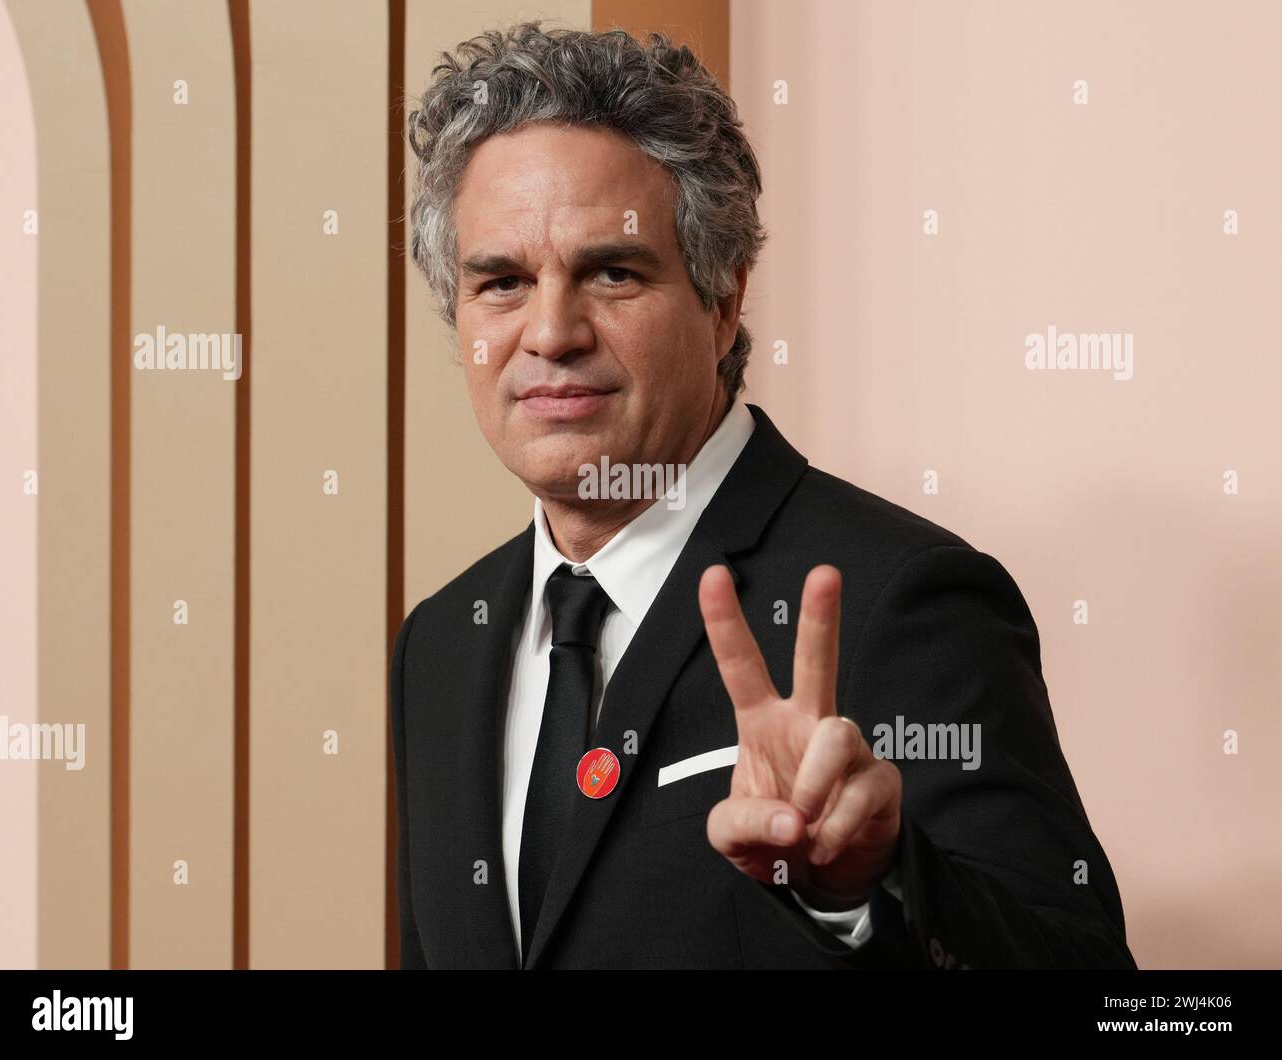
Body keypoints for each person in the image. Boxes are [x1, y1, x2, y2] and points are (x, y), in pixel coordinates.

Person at [390, 22, 1136, 969]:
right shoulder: (440, 644)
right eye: (501, 282)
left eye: (611, 272)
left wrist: (864, 886)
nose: (551, 331)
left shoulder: (901, 600)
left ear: (725, 297)